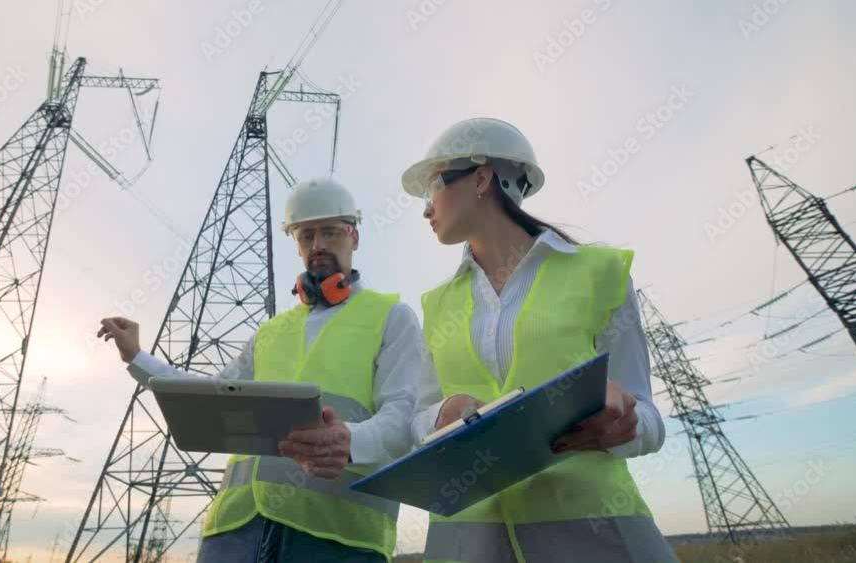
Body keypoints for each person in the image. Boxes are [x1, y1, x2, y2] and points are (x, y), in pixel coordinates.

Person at [97, 178, 423, 563]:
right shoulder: (270, 332)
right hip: (235, 532)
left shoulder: (391, 317)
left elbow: (404, 418)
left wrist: (349, 441)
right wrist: (137, 356)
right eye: (305, 235)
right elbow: (206, 397)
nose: (317, 245)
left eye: (330, 232)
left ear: (355, 237)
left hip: (337, 537)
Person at [401, 117, 679, 562]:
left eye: (433, 185)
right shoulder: (437, 305)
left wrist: (628, 425)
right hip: (467, 542)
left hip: (593, 533)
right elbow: (415, 422)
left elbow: (648, 417)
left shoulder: (599, 274)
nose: (425, 207)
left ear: (482, 178)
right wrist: (439, 417)